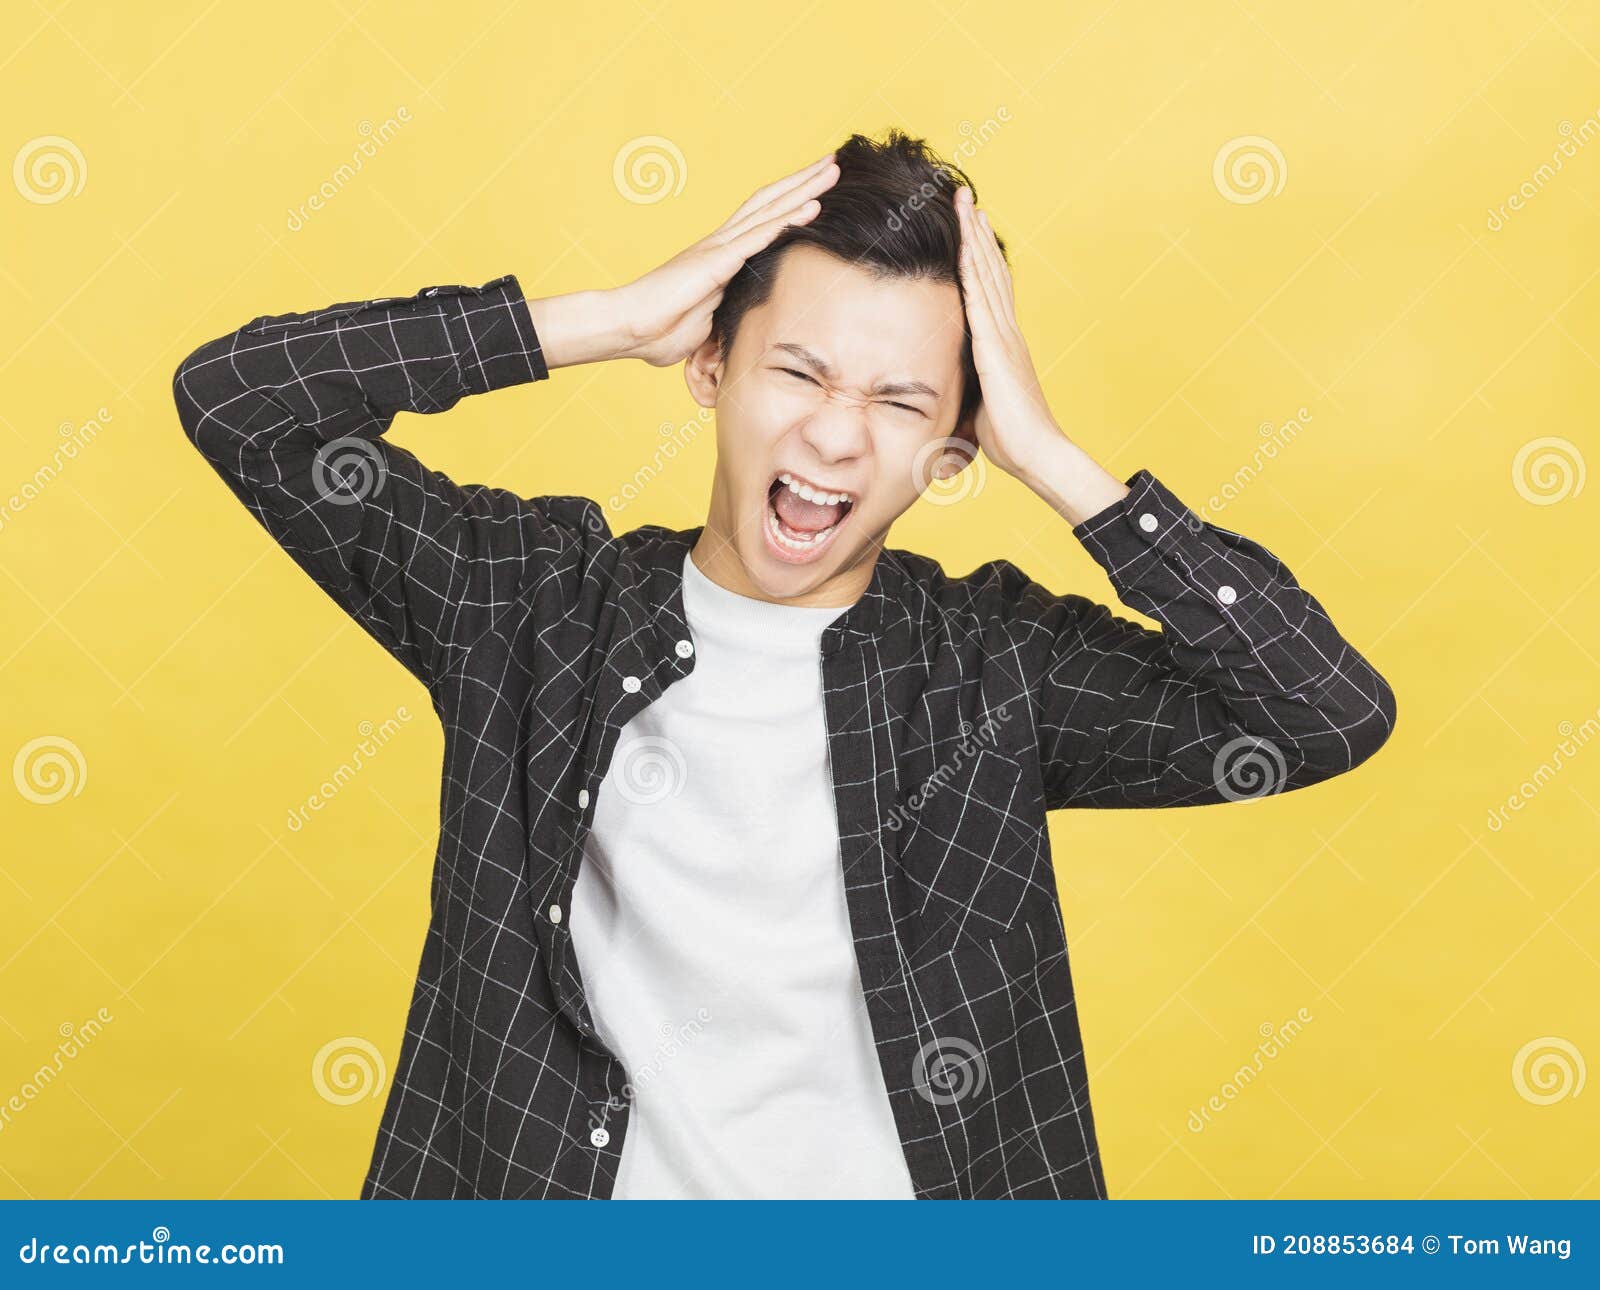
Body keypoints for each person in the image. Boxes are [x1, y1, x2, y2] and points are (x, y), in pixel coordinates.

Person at [171, 131, 1396, 1199]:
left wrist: (1050, 455)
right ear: (711, 366)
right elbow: (240, 405)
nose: (834, 433)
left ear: (952, 448)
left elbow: (1322, 713)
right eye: (798, 371)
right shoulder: (530, 608)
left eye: (902, 404)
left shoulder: (998, 669)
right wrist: (609, 320)